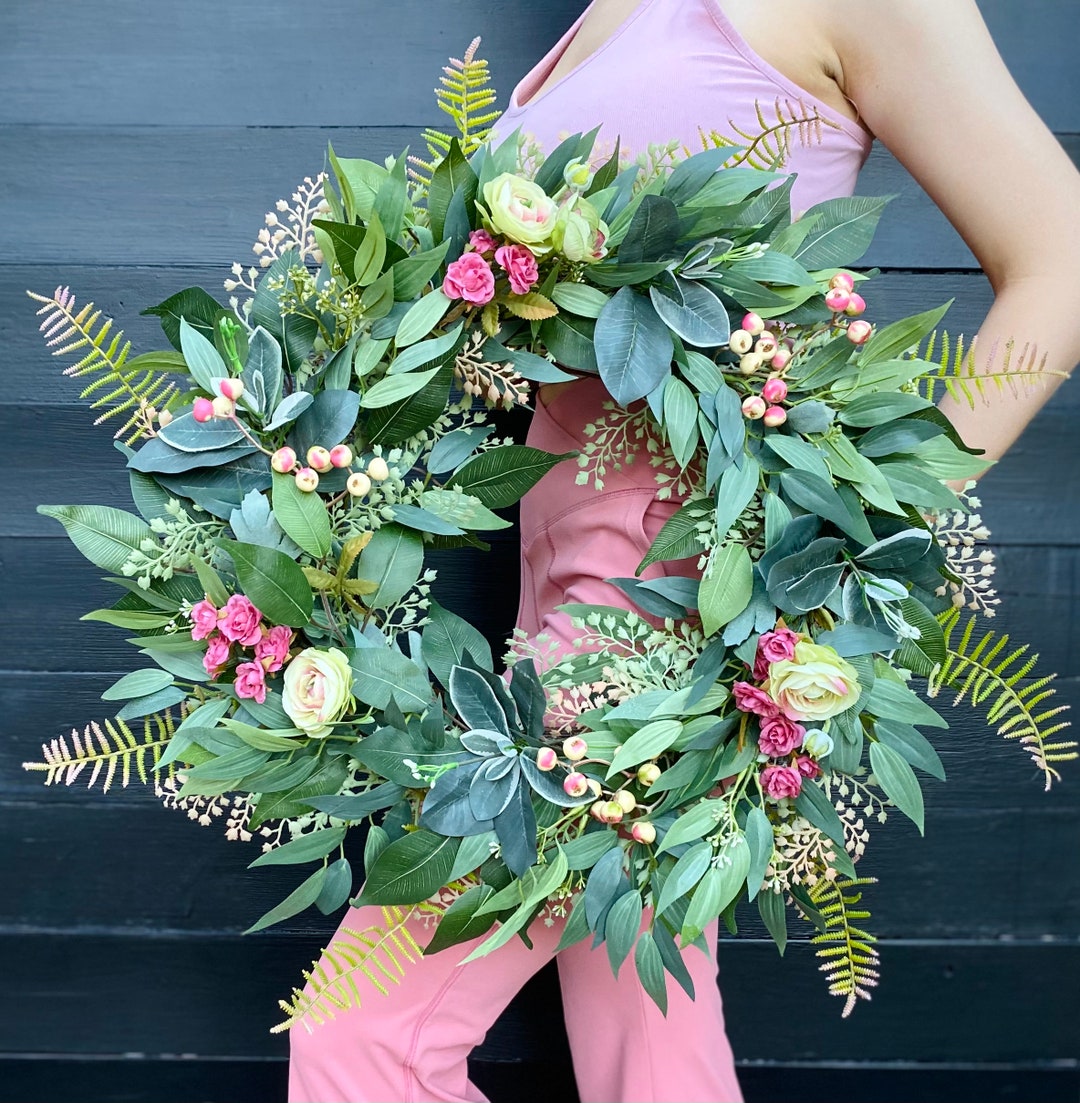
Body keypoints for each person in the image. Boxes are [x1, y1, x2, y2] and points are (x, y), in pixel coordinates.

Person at [289, 3, 1080, 1100]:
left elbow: (1062, 256)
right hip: (555, 575)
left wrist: (855, 547)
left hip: (667, 605)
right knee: (649, 1041)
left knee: (359, 1035)